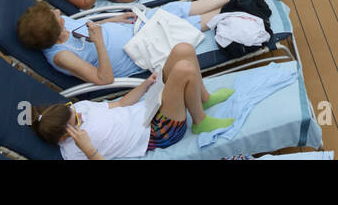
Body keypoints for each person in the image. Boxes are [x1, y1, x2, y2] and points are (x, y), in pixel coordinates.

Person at [15, 0, 250, 85]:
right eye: (56, 17)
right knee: (182, 26)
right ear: (55, 35)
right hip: (138, 51)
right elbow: (103, 79)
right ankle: (238, 5)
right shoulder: (61, 57)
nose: (59, 12)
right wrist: (98, 43)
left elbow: (86, 26)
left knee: (175, 9)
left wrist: (109, 21)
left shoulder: (63, 24)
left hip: (132, 29)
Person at [30, 56, 236, 157]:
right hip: (156, 132)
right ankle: (200, 121)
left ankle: (203, 98)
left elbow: (119, 103)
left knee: (183, 50)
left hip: (148, 108)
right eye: (74, 120)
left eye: (72, 110)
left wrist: (145, 85)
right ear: (66, 135)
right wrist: (89, 150)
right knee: (184, 69)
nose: (78, 115)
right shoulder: (75, 152)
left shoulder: (80, 109)